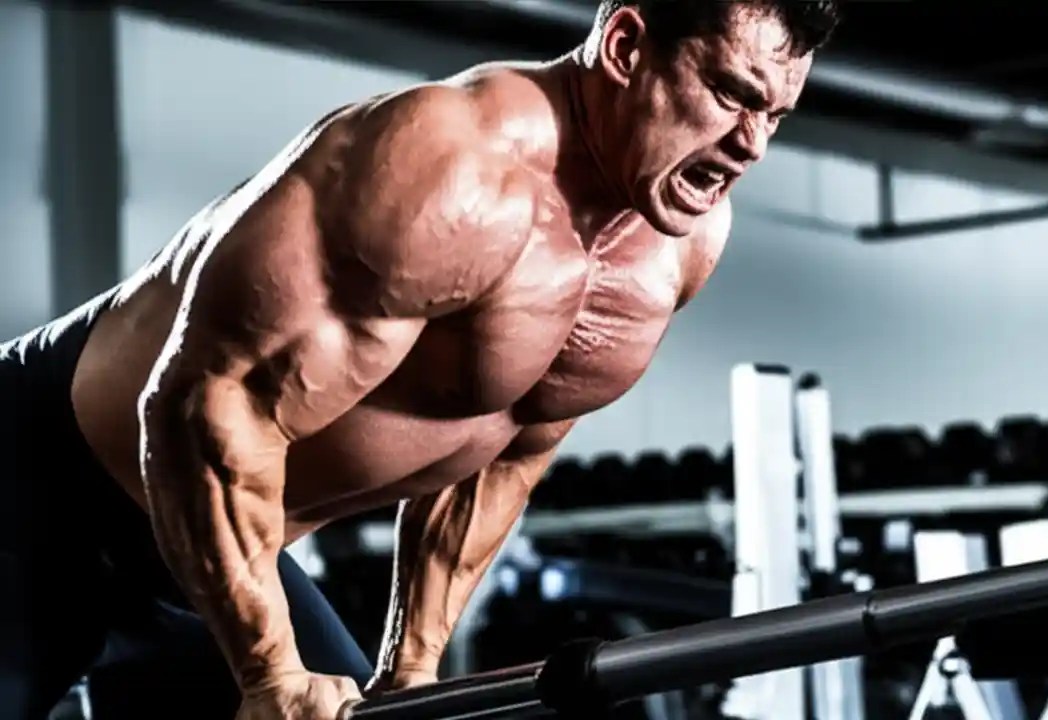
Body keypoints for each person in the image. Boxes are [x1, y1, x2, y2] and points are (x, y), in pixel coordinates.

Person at [0, 1, 841, 718]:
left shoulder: (676, 245)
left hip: (208, 557)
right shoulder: (448, 168)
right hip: (42, 482)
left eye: (776, 115)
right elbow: (203, 412)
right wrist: (270, 672)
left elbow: (507, 446)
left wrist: (414, 662)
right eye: (732, 94)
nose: (752, 145)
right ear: (625, 47)